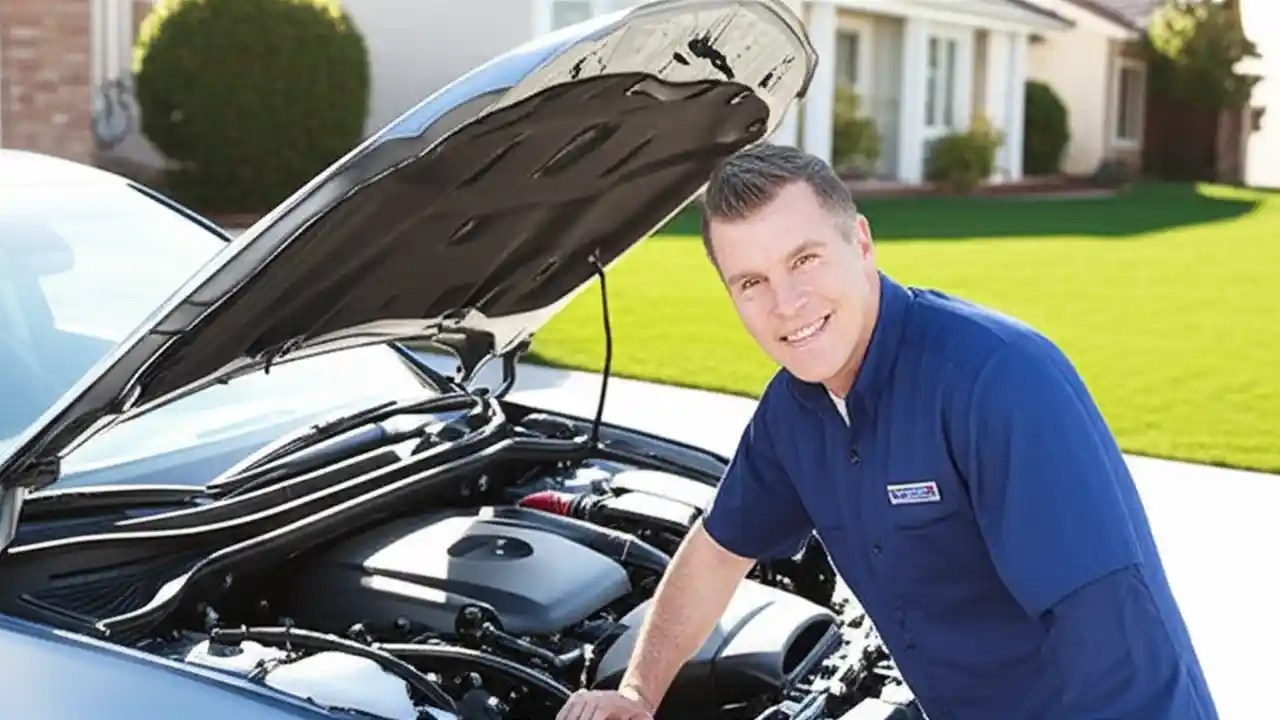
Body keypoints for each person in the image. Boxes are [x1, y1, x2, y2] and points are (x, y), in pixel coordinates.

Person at [554, 143, 1218, 720]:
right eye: (752, 281)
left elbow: (1114, 643)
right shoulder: (794, 412)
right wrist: (638, 692)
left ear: (862, 243)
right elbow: (718, 550)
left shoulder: (996, 382)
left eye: (804, 259)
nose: (787, 304)